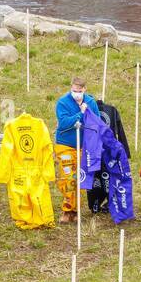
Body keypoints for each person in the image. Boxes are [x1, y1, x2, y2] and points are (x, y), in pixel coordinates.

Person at [54, 76, 100, 223]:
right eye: (74, 91)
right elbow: (63, 124)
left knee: (79, 178)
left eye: (79, 91)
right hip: (65, 145)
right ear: (70, 88)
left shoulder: (91, 102)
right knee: (67, 178)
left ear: (84, 90)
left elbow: (96, 123)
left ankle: (76, 210)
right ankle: (67, 210)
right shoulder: (62, 102)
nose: (77, 93)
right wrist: (80, 114)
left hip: (83, 147)